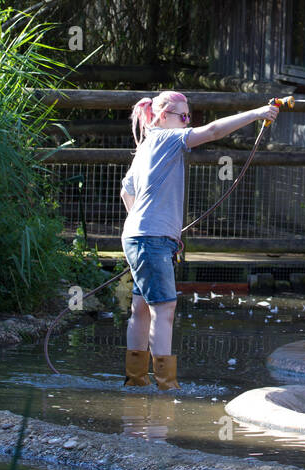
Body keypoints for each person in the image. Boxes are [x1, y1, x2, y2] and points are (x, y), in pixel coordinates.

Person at [120, 90, 280, 388]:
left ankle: (136, 381)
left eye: (188, 117)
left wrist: (151, 227)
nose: (187, 122)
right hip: (150, 239)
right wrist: (257, 114)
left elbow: (126, 191)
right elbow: (213, 131)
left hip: (141, 237)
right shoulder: (167, 140)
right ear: (162, 116)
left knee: (141, 309)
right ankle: (166, 384)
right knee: (164, 309)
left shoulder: (145, 147)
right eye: (183, 117)